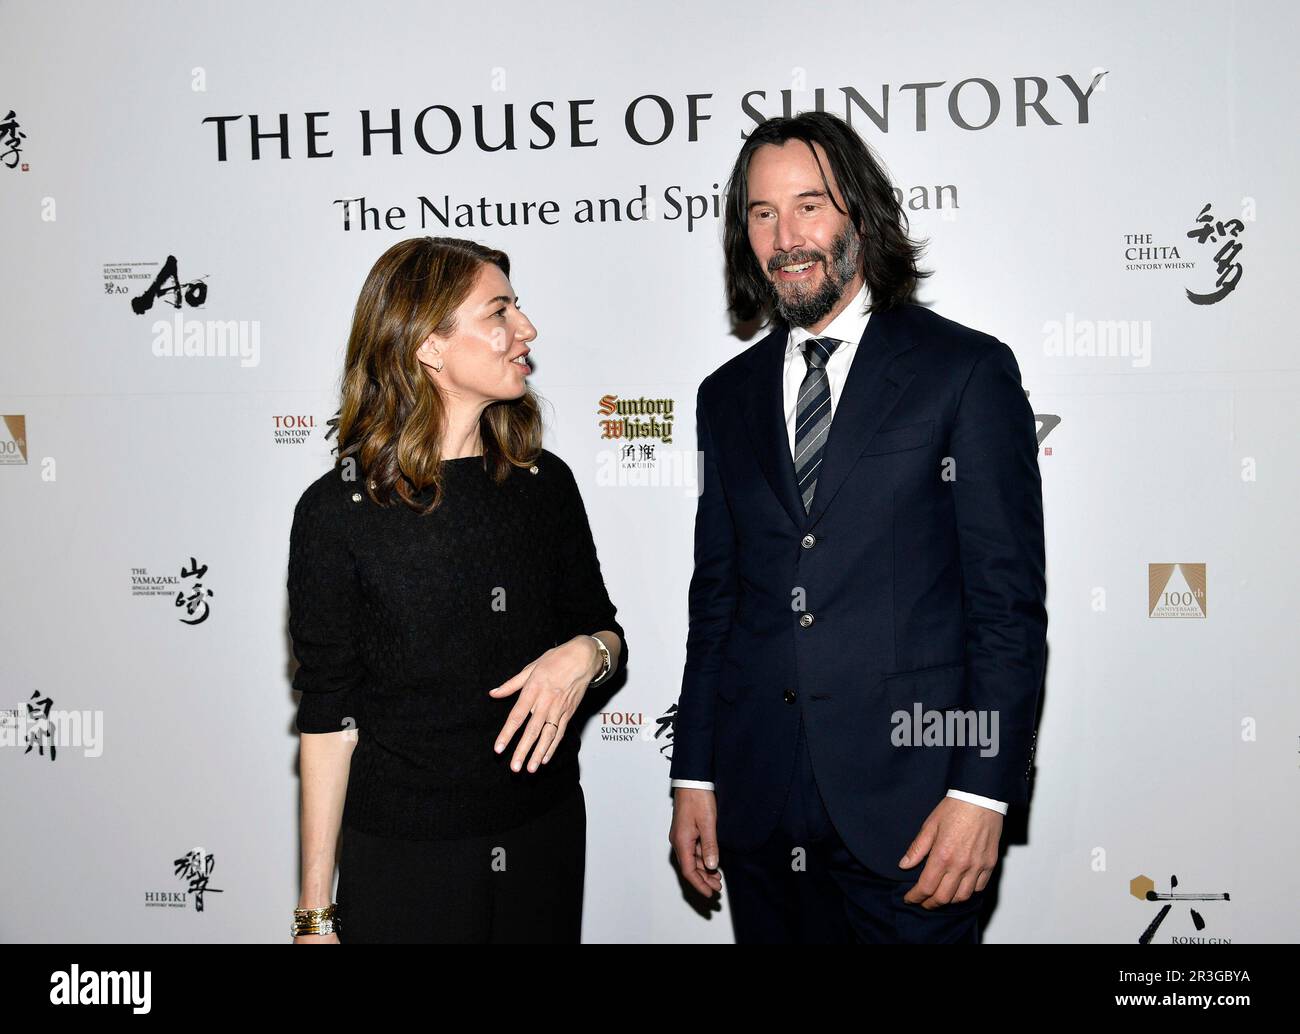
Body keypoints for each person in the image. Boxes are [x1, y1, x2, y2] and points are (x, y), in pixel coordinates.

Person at [668, 112, 1047, 943]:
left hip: (915, 812)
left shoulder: (965, 371)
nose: (786, 235)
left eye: (810, 205)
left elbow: (1005, 610)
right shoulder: (723, 396)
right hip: (762, 809)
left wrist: (984, 793)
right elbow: (717, 604)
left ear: (862, 217)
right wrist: (693, 773)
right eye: (762, 214)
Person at [286, 236, 626, 943]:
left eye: (518, 306)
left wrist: (587, 653)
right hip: (409, 863)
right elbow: (327, 720)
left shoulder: (544, 484)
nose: (525, 329)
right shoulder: (337, 512)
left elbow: (603, 628)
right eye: (498, 311)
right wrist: (315, 913)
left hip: (544, 838)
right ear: (427, 346)